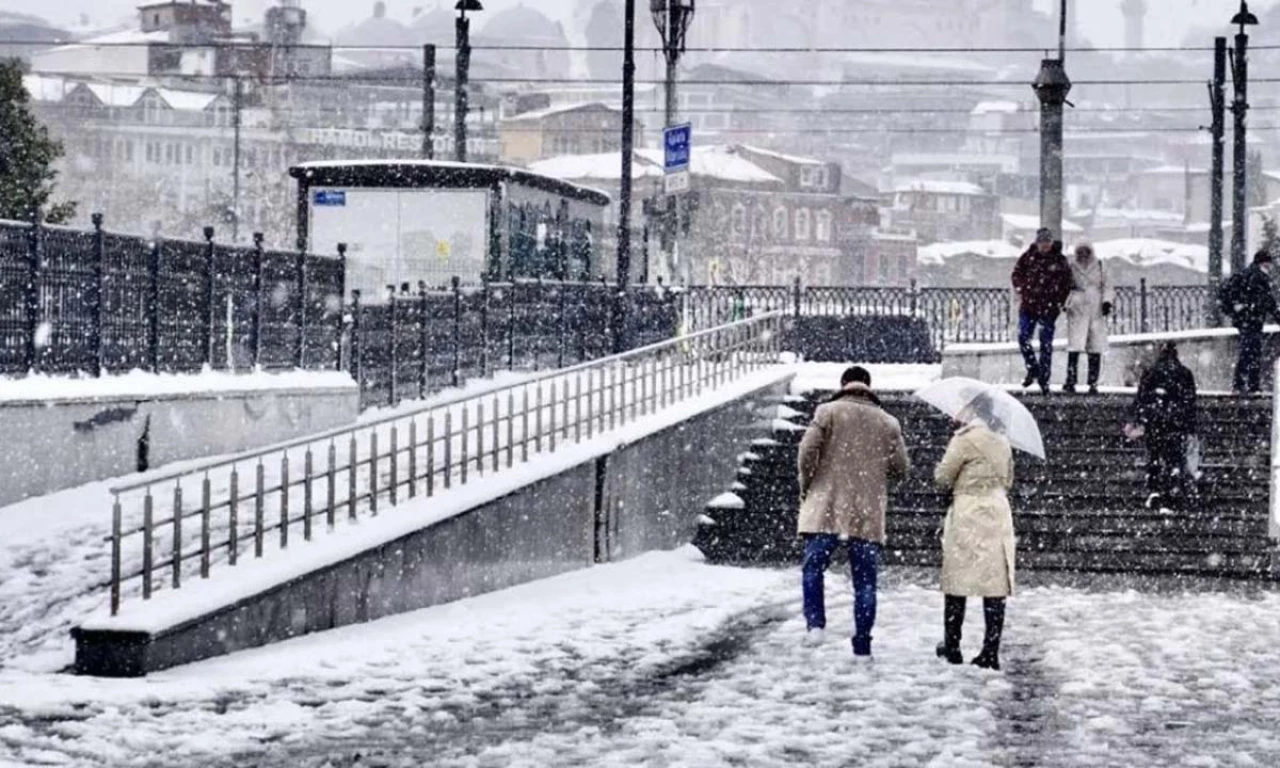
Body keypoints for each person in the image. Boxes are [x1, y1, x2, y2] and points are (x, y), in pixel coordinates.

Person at [797, 366, 910, 658]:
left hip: (827, 505)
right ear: (869, 387)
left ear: (844, 384)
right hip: (866, 510)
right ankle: (862, 642)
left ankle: (816, 625)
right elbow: (901, 468)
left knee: (813, 568)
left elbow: (806, 452)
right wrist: (873, 474)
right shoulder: (888, 422)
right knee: (865, 581)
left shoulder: (827, 412)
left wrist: (808, 484)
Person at [933, 392, 1015, 671]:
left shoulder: (964, 439)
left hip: (967, 509)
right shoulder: (1003, 440)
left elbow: (943, 477)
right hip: (997, 510)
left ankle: (952, 646)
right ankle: (990, 651)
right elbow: (1008, 479)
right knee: (995, 583)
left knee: (957, 578)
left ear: (971, 410)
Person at [1126, 342, 1198, 509]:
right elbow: (1190, 402)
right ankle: (1174, 488)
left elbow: (1141, 398)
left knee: (1155, 456)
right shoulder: (1185, 373)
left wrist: (1137, 419)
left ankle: (1155, 490)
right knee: (1175, 457)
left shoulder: (1151, 372)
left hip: (1155, 422)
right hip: (1176, 423)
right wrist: (1190, 426)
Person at [1012, 228, 1074, 394]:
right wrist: (1023, 288)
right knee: (1023, 337)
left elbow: (1067, 283)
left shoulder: (1059, 260)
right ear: (1038, 243)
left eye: (1047, 242)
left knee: (1046, 344)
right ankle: (1033, 368)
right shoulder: (1028, 257)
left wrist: (1058, 301)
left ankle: (1043, 379)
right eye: (1042, 242)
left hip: (1049, 308)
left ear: (1051, 243)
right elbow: (1016, 274)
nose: (1045, 246)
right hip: (1029, 306)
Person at [1221, 249, 1279, 394]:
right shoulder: (1258, 277)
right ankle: (1249, 385)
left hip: (1245, 320)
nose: (1271, 267)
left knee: (1249, 351)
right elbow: (1267, 301)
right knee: (1252, 352)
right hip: (1251, 320)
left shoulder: (1246, 274)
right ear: (1264, 263)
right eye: (1269, 263)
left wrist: (1236, 310)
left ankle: (1243, 384)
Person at [1063, 242, 1114, 394]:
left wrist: (1107, 302)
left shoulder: (1100, 265)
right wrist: (1066, 301)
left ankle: (1093, 382)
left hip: (1095, 308)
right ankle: (1071, 380)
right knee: (1074, 346)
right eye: (1080, 252)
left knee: (1095, 347)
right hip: (1077, 308)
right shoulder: (1071, 265)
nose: (1083, 255)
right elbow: (1064, 285)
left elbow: (1108, 285)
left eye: (1086, 252)